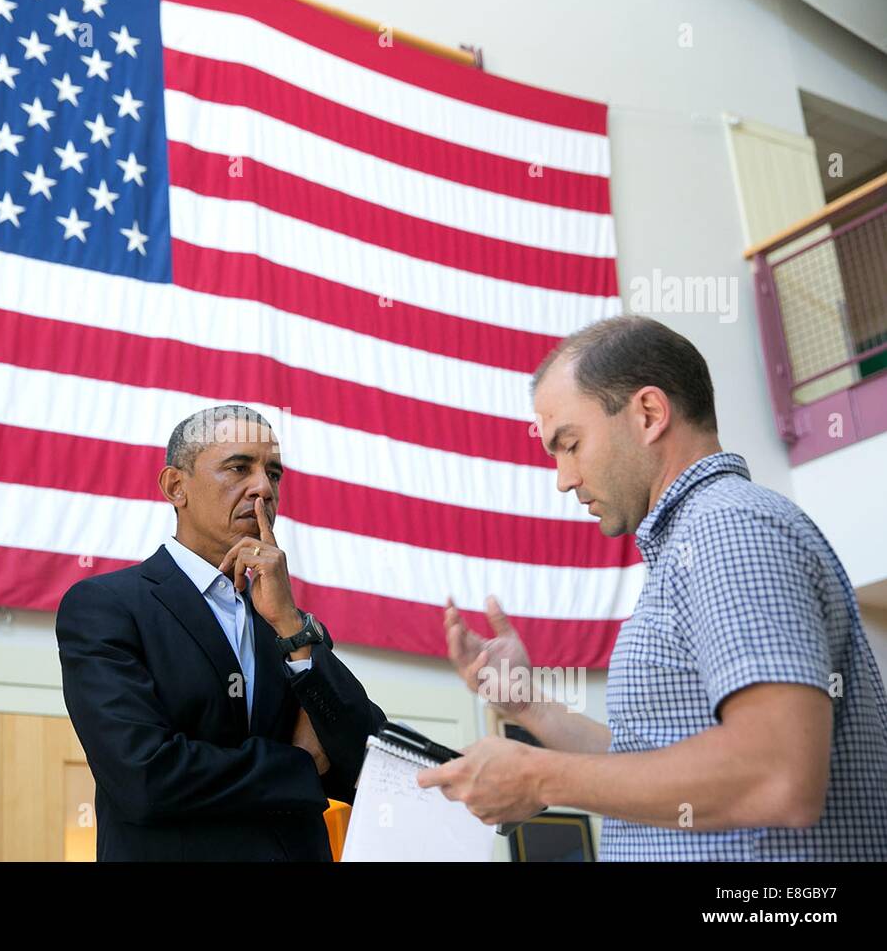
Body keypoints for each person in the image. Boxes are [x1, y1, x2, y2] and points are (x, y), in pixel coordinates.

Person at [417, 315, 887, 860]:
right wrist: (528, 705)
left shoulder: (727, 528)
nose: (564, 478)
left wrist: (540, 778)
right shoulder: (695, 541)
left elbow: (776, 772)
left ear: (648, 413)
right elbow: (652, 759)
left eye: (570, 444)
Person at [56, 403, 386, 860]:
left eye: (274, 474)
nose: (262, 489)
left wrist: (291, 625)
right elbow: (146, 778)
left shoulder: (288, 625)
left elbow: (368, 765)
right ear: (176, 487)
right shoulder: (106, 607)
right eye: (239, 467)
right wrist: (300, 766)